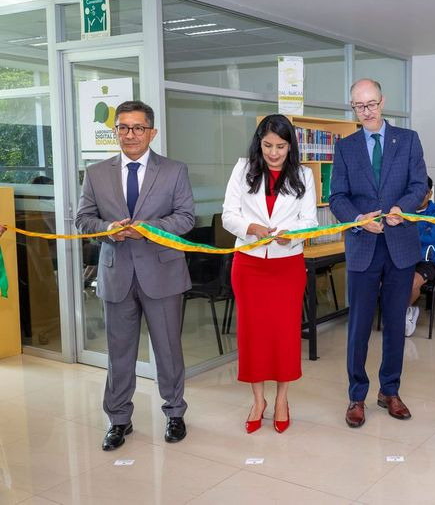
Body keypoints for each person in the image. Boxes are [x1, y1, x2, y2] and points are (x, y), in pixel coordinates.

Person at [75, 100, 195, 451]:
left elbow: (186, 217)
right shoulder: (96, 173)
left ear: (152, 132)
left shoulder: (174, 170)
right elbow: (84, 220)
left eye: (138, 128)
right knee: (119, 352)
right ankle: (118, 420)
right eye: (123, 128)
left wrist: (149, 230)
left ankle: (175, 413)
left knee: (169, 350)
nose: (130, 134)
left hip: (162, 273)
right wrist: (108, 228)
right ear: (115, 132)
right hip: (117, 275)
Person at [329, 78, 428, 428]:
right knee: (358, 327)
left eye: (371, 104)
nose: (366, 111)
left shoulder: (409, 140)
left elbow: (419, 184)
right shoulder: (346, 147)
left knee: (395, 326)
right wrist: (357, 220)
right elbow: (337, 196)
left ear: (383, 102)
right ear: (352, 108)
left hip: (400, 246)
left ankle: (390, 391)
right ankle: (357, 395)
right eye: (359, 106)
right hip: (362, 246)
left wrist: (402, 206)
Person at [222, 114, 317, 434]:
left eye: (280, 146)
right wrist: (251, 228)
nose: (274, 153)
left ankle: (282, 400)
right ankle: (258, 400)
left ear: (291, 146)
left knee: (284, 335)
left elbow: (310, 222)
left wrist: (291, 234)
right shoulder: (243, 169)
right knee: (253, 335)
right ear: (258, 143)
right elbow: (228, 215)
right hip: (249, 264)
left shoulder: (304, 174)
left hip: (286, 265)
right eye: (267, 146)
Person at [405, 176, 435, 337]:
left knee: (411, 283)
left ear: (429, 193)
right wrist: (422, 230)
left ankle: (400, 315)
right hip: (405, 257)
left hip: (427, 261)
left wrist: (407, 229)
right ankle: (407, 311)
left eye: (421, 193)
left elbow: (432, 237)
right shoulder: (405, 210)